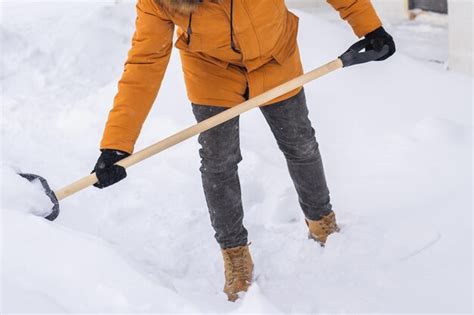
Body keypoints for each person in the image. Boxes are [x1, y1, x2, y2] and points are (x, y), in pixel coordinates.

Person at [92, 0, 395, 302]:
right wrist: (117, 144)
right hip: (211, 71)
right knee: (218, 161)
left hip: (276, 57)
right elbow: (145, 62)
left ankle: (322, 222)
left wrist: (370, 27)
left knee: (300, 143)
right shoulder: (157, 1)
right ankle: (235, 254)